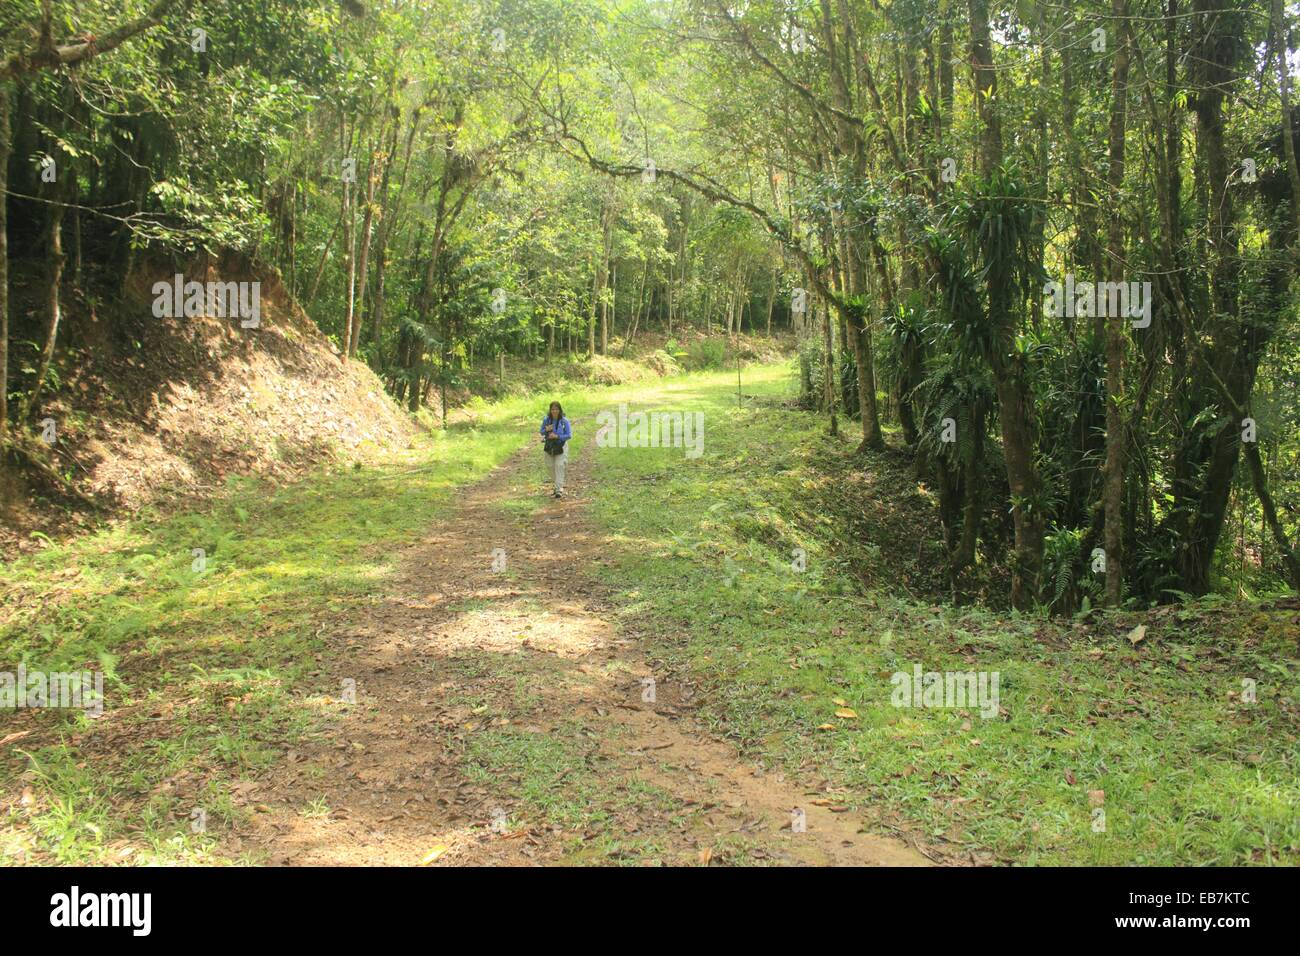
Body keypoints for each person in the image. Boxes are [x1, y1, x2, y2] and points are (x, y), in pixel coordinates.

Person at [539, 401, 571, 498]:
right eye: (552, 409)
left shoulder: (564, 421)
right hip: (550, 446)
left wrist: (557, 436)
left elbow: (569, 435)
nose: (554, 411)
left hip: (561, 445)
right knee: (549, 465)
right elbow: (541, 432)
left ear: (560, 410)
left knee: (559, 465)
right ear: (550, 410)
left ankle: (559, 489)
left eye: (556, 409)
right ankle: (557, 483)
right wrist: (547, 430)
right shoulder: (547, 420)